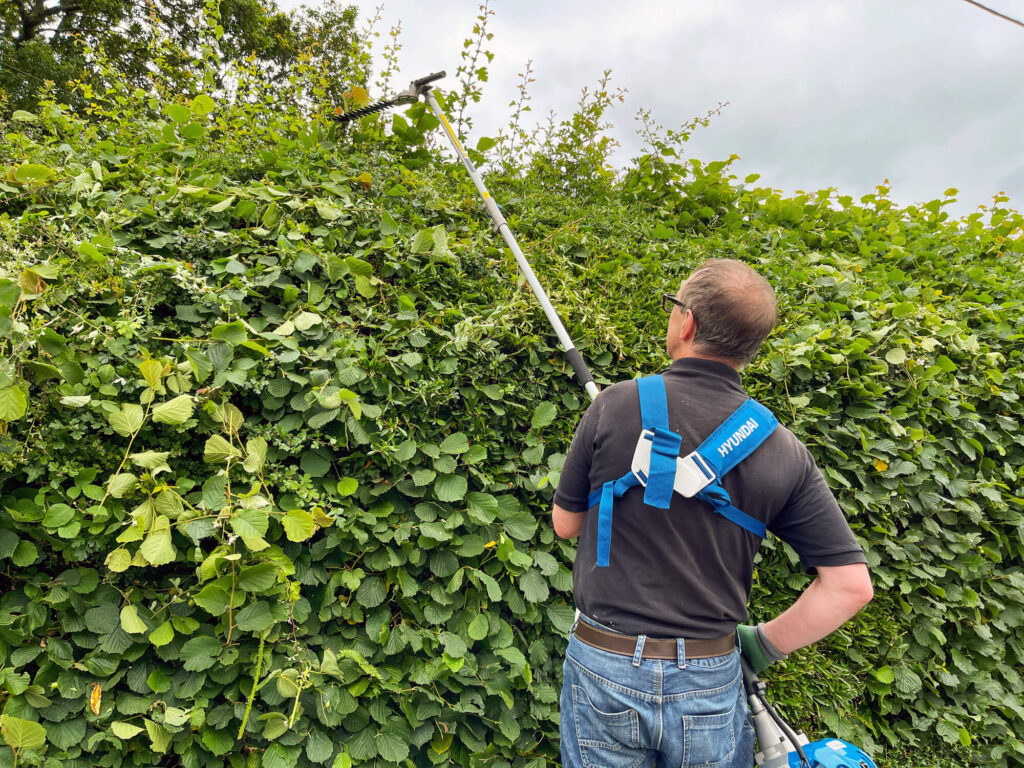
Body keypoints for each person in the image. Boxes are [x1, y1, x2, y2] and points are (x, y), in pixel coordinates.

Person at [552, 258, 873, 768]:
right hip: (710, 673)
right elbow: (850, 585)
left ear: (688, 321)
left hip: (604, 667)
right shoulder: (781, 448)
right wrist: (762, 645)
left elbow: (566, 524)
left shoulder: (615, 405)